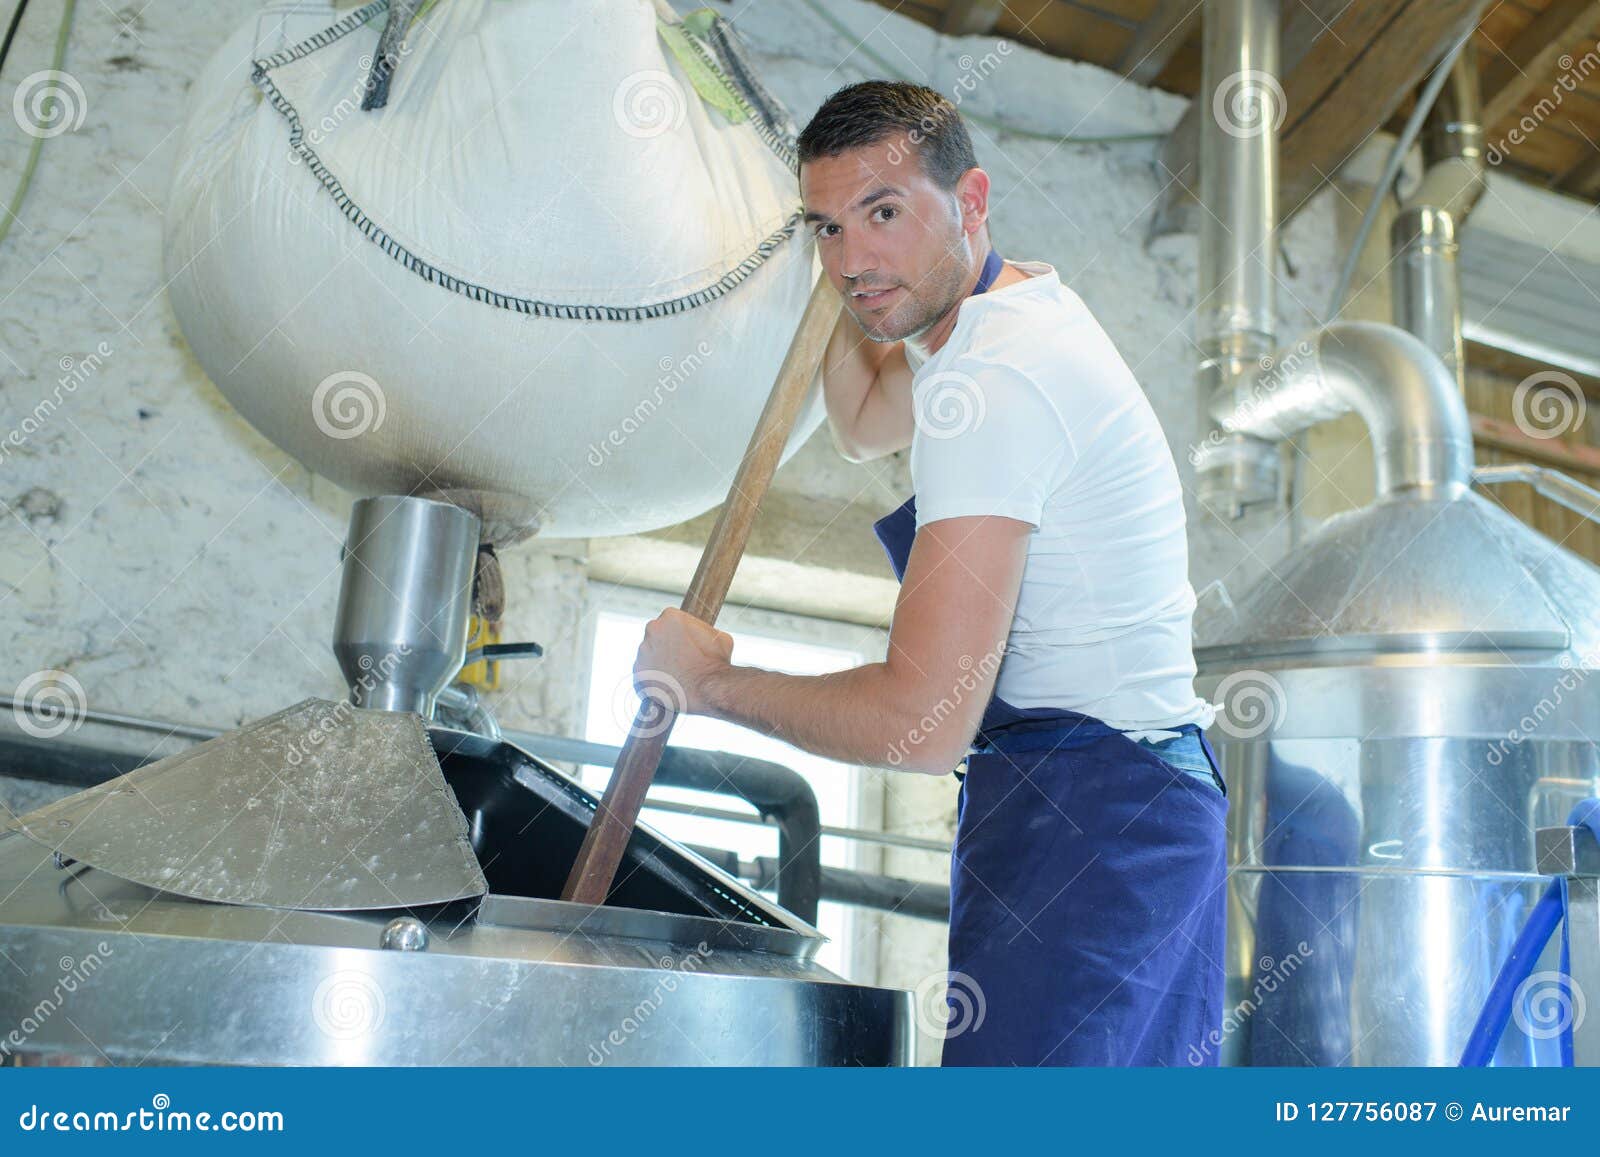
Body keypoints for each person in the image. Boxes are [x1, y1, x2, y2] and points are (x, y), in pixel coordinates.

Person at [632, 80, 1227, 1066]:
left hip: (1098, 826)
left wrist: (709, 683)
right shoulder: (999, 311)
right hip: (1113, 801)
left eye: (883, 212)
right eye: (826, 227)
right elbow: (866, 424)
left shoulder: (997, 383)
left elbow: (918, 722)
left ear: (972, 199)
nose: (853, 255)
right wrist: (840, 286)